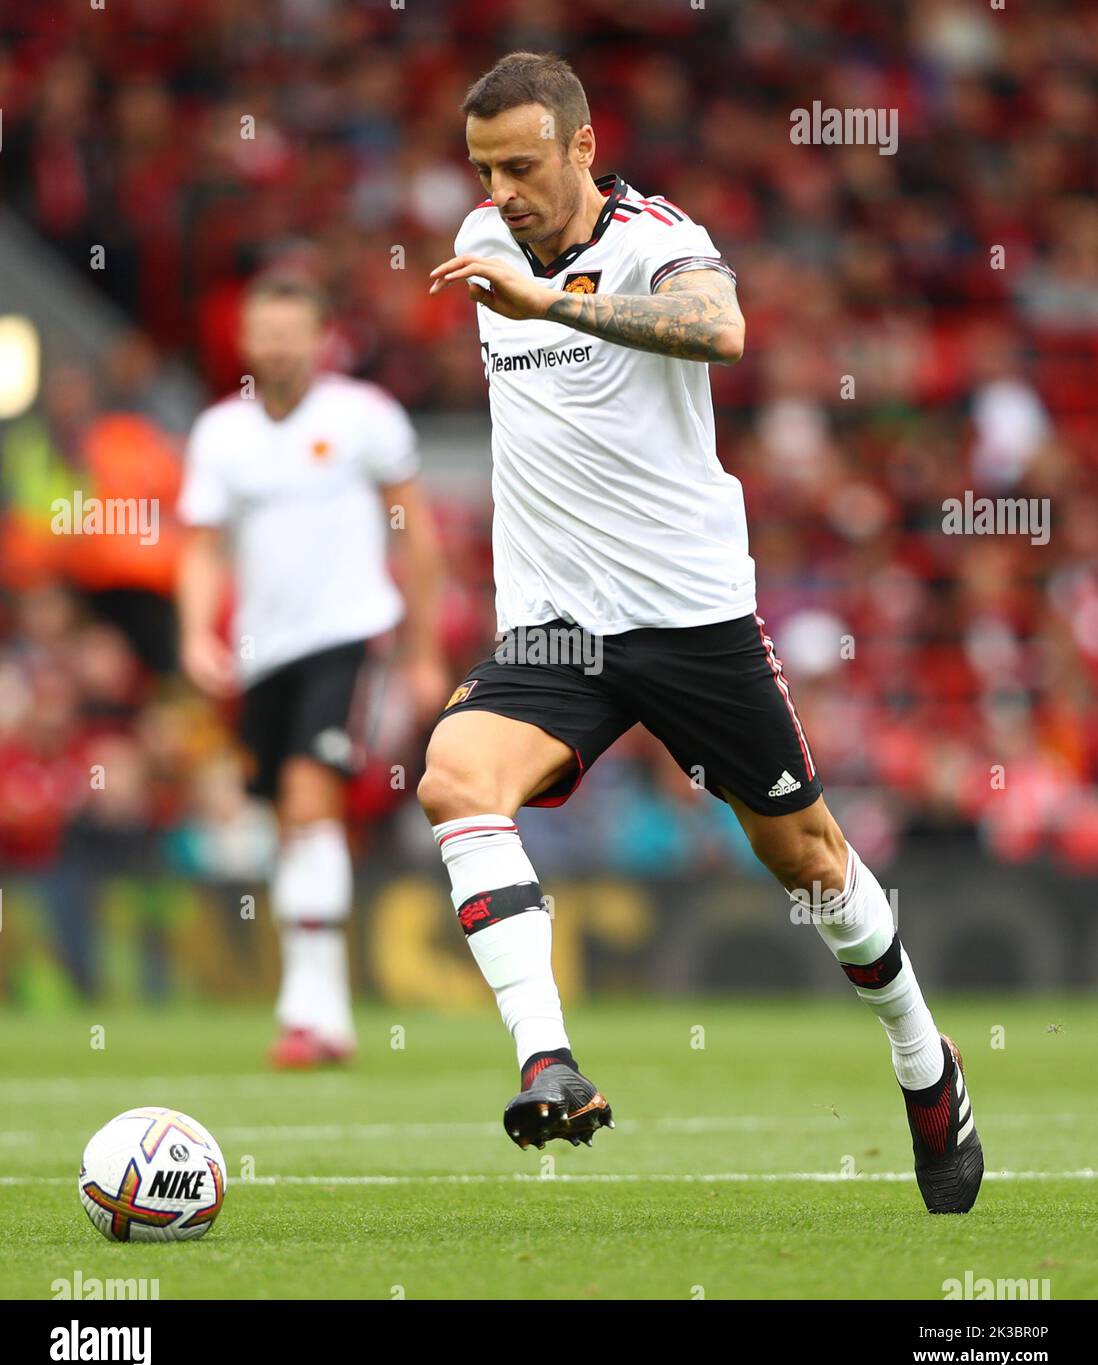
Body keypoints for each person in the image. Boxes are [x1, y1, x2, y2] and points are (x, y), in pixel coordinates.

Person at [419, 52, 982, 1213]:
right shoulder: (482, 234)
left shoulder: (651, 236)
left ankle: (925, 1063)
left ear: (581, 146)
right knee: (454, 775)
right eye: (484, 167)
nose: (503, 188)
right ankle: (548, 1061)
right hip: (557, 625)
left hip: (690, 619)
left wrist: (556, 300)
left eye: (522, 164)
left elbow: (719, 327)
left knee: (809, 861)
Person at [177, 271, 448, 1067]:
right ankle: (312, 1002)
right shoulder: (221, 432)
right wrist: (197, 632)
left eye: (294, 331)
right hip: (263, 654)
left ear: (322, 338)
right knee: (281, 819)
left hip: (349, 635)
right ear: (244, 339)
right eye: (265, 331)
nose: (278, 345)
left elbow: (416, 533)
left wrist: (424, 649)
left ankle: (317, 1014)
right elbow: (201, 545)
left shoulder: (364, 418)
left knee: (308, 795)